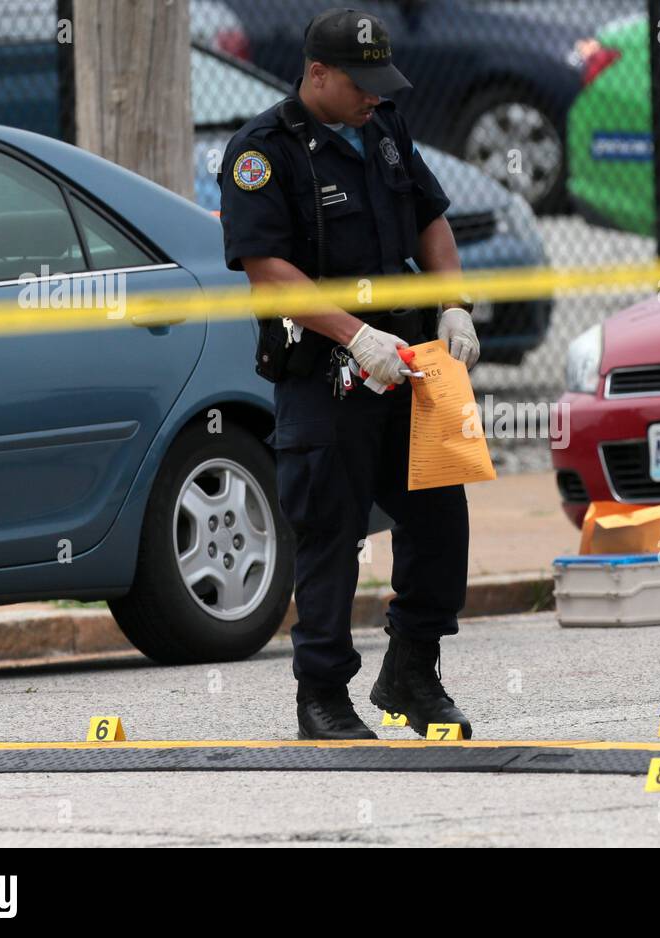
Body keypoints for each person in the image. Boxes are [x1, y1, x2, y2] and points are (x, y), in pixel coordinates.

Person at [218, 7, 480, 741]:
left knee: (441, 523)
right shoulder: (262, 153)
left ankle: (412, 672)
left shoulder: (385, 127)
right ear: (317, 74)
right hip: (325, 371)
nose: (374, 95)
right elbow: (267, 269)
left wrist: (453, 305)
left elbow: (430, 219)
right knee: (330, 536)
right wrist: (354, 334)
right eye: (360, 83)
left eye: (380, 82)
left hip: (411, 363)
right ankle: (323, 697)